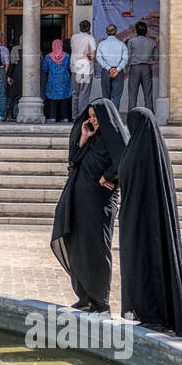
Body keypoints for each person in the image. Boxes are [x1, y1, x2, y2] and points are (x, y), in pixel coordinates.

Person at [50, 98, 129, 313]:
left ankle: (100, 301)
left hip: (100, 203)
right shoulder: (91, 137)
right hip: (79, 200)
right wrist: (84, 137)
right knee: (77, 246)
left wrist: (107, 175)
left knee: (96, 248)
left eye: (96, 116)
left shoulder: (115, 138)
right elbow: (73, 160)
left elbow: (124, 160)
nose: (93, 120)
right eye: (91, 116)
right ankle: (84, 296)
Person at [118, 107, 182, 336]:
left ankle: (153, 313)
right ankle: (148, 312)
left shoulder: (141, 150)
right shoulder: (149, 148)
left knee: (145, 264)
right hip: (143, 219)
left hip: (143, 221)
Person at [125, 21, 158, 113]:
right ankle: (150, 114)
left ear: (136, 31)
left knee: (132, 94)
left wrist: (126, 71)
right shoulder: (152, 42)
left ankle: (131, 114)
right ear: (146, 31)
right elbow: (155, 57)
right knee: (148, 93)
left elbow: (128, 56)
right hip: (147, 68)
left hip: (134, 68)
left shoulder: (131, 41)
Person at [96, 24, 128, 109]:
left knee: (106, 97)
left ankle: (107, 117)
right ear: (116, 32)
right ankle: (115, 118)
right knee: (116, 97)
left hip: (106, 72)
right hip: (118, 72)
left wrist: (109, 68)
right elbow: (125, 59)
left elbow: (99, 58)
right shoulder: (122, 44)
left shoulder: (101, 44)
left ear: (106, 32)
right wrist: (117, 70)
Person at [41, 39, 73, 123]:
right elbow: (70, 67)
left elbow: (45, 69)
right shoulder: (67, 56)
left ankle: (52, 117)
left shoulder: (48, 57)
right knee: (64, 99)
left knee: (53, 99)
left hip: (52, 80)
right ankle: (65, 117)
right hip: (64, 80)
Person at [70, 20, 97, 116]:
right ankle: (82, 115)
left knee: (75, 92)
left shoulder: (74, 37)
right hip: (85, 68)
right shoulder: (90, 38)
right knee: (84, 92)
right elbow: (93, 52)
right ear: (89, 28)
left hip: (75, 67)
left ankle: (74, 115)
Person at [6, 38, 22, 121]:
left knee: (16, 95)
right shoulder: (32, 49)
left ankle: (15, 114)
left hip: (17, 72)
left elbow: (12, 63)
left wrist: (9, 76)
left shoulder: (15, 49)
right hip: (28, 72)